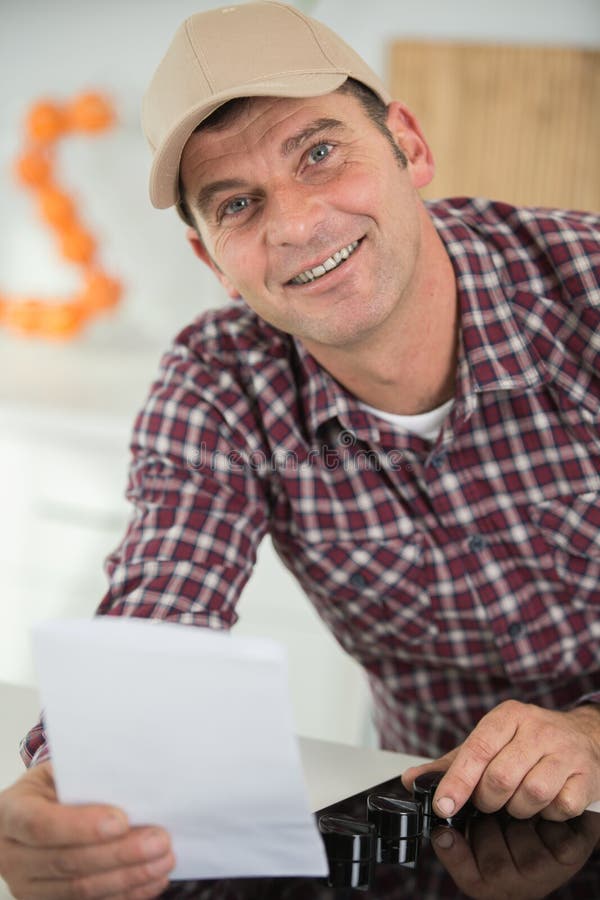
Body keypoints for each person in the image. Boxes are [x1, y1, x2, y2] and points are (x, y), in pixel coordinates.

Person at [1, 2, 598, 896]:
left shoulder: (584, 286)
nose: (296, 222)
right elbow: (159, 615)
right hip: (433, 833)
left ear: (410, 146)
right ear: (215, 263)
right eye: (238, 204)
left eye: (319, 152)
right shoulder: (218, 380)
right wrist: (77, 788)